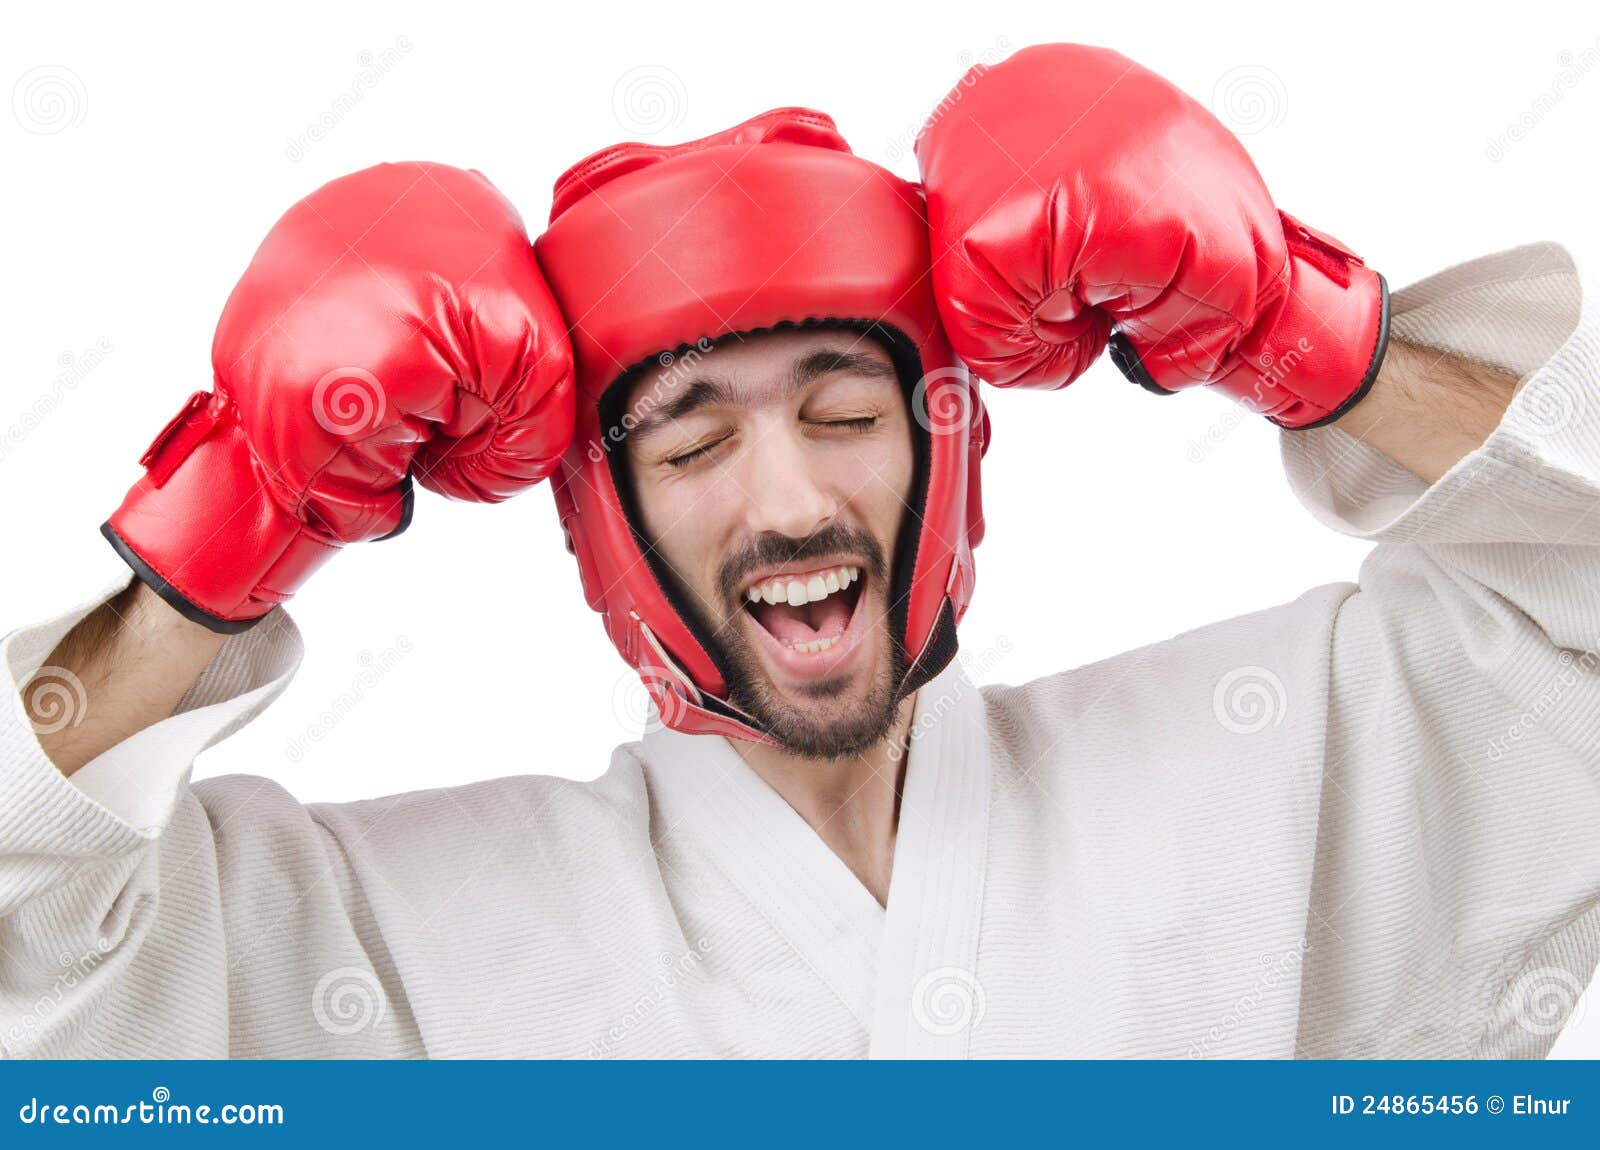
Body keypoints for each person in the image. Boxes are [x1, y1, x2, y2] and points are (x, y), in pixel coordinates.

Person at [2, 44, 1596, 1059]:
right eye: (691, 444)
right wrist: (231, 520)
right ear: (600, 529)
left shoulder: (1279, 772)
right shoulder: (389, 935)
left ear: (952, 452)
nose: (787, 500)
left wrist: (1301, 327)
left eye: (845, 409)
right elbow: (39, 954)